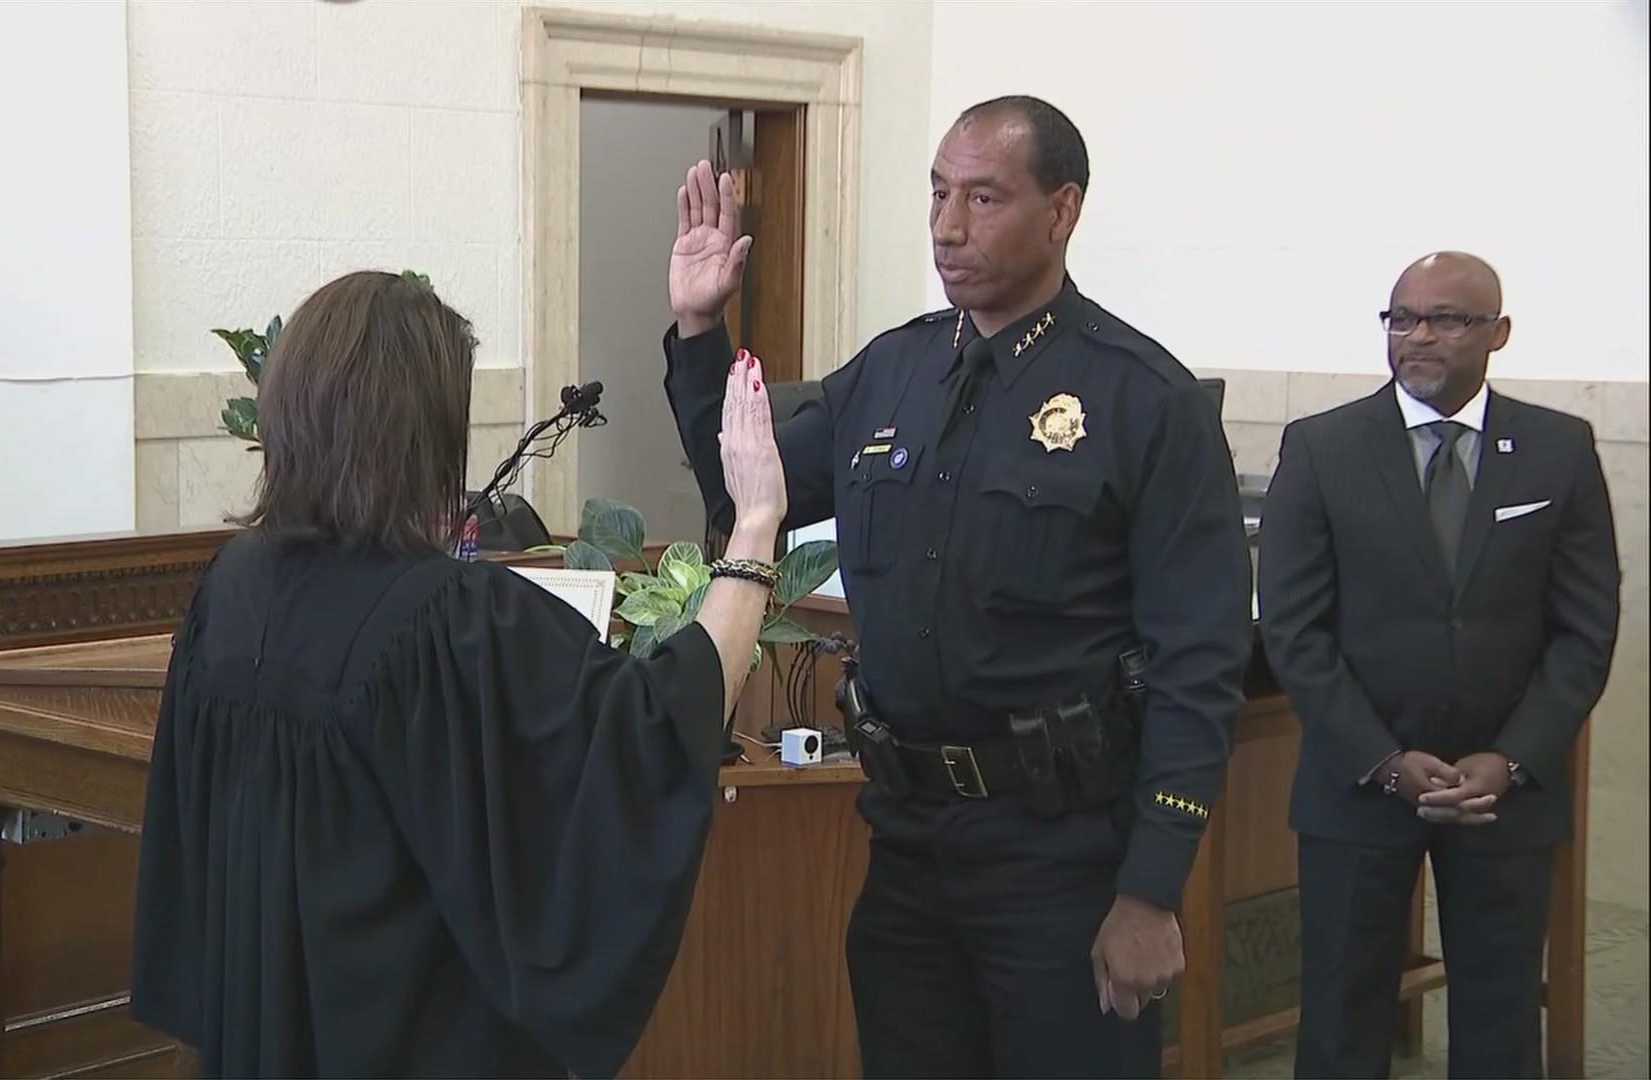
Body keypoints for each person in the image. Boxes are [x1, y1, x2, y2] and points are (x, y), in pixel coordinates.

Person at [661, 96, 1251, 1077]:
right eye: (938, 193)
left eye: (983, 197)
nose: (946, 226)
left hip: (1062, 857)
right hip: (907, 850)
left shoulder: (1143, 398)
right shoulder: (893, 372)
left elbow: (1201, 664)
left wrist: (1151, 890)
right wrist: (698, 326)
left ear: (1061, 211)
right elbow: (746, 478)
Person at [130, 270, 790, 1077]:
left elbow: (188, 874)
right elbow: (652, 730)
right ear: (419, 435)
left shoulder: (226, 588)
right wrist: (754, 528)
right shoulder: (447, 621)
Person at [1258, 252, 1620, 1079]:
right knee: (1343, 1020)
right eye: (1402, 317)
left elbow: (1584, 629)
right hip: (1358, 785)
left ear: (1497, 333)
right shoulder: (1322, 448)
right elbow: (1296, 629)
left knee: (1498, 1022)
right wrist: (1382, 761)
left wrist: (1514, 757)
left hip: (1505, 795)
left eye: (1446, 320)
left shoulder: (1559, 449)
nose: (1418, 336)